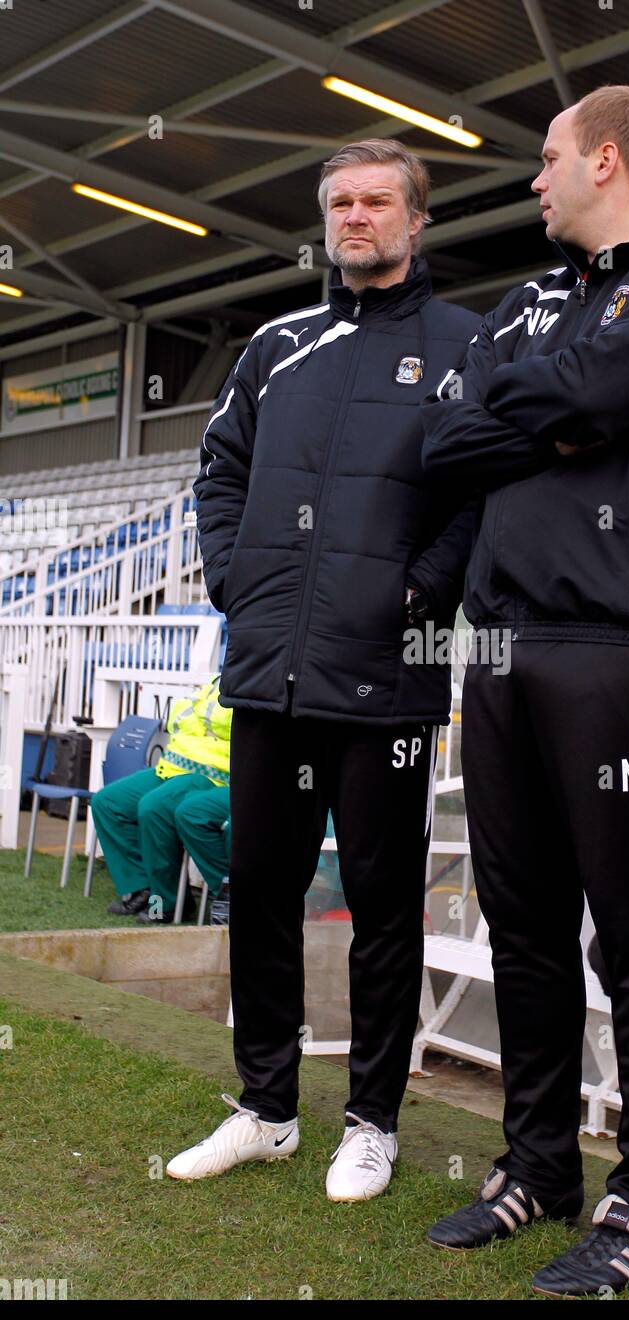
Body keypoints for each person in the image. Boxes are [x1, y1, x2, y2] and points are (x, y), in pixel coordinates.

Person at [420, 85, 629, 1295]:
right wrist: (551, 413)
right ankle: (539, 1165)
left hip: (624, 644)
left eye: (545, 160)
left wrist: (558, 404)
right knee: (520, 926)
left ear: (603, 159)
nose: (532, 182)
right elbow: (444, 441)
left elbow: (589, 397)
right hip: (501, 648)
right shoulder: (523, 302)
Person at [169, 139, 478, 1200]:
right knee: (259, 890)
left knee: (382, 902)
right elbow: (219, 469)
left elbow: (482, 491)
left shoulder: (463, 345)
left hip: (386, 677)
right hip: (272, 671)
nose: (356, 216)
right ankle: (263, 1107)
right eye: (340, 202)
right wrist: (235, 582)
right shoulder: (275, 345)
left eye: (376, 201)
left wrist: (419, 590)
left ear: (415, 217)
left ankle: (372, 1121)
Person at [92, 674, 231, 925]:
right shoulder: (215, 679)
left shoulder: (256, 684)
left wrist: (202, 726)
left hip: (211, 773)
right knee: (107, 802)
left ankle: (165, 904)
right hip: (173, 765)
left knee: (153, 807)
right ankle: (140, 886)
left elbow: (222, 727)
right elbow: (184, 720)